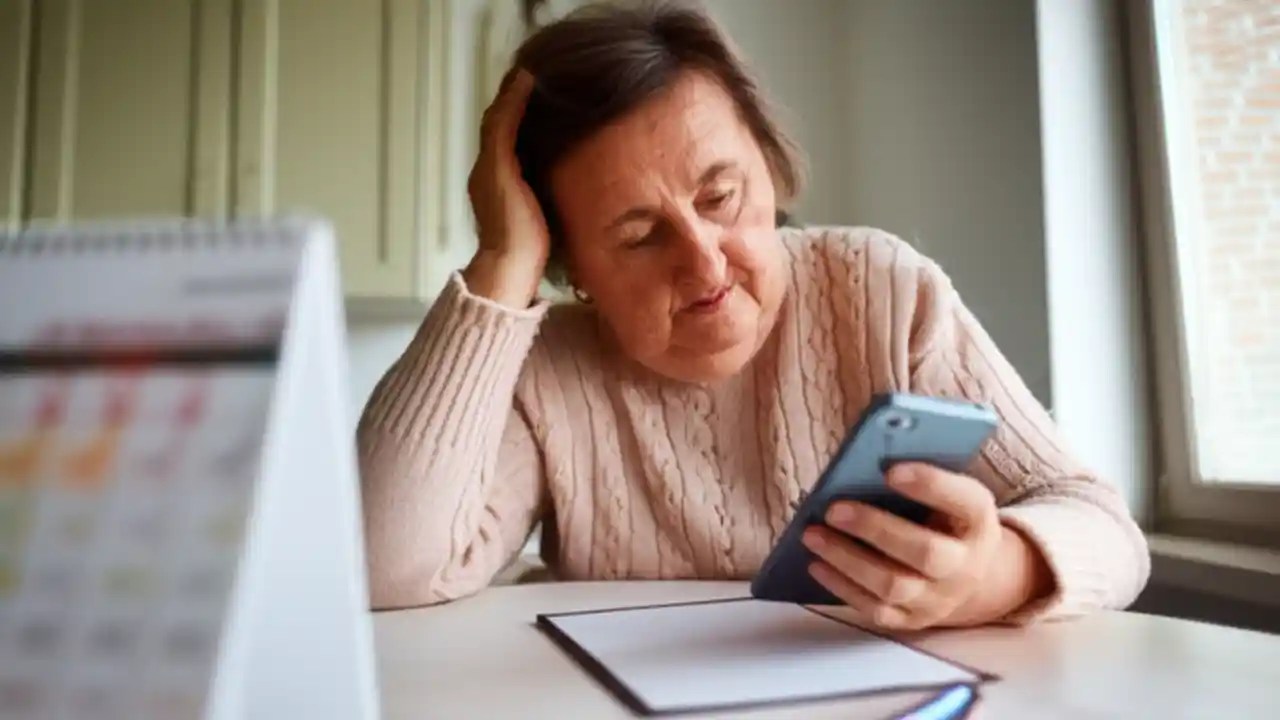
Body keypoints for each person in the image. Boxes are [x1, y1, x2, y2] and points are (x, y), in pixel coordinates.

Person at [356, 0, 1149, 630]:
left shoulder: (878, 291)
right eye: (638, 236)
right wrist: (499, 268)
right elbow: (380, 566)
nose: (704, 260)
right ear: (574, 273)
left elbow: (1104, 528)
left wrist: (993, 575)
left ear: (770, 165)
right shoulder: (546, 366)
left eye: (720, 197)